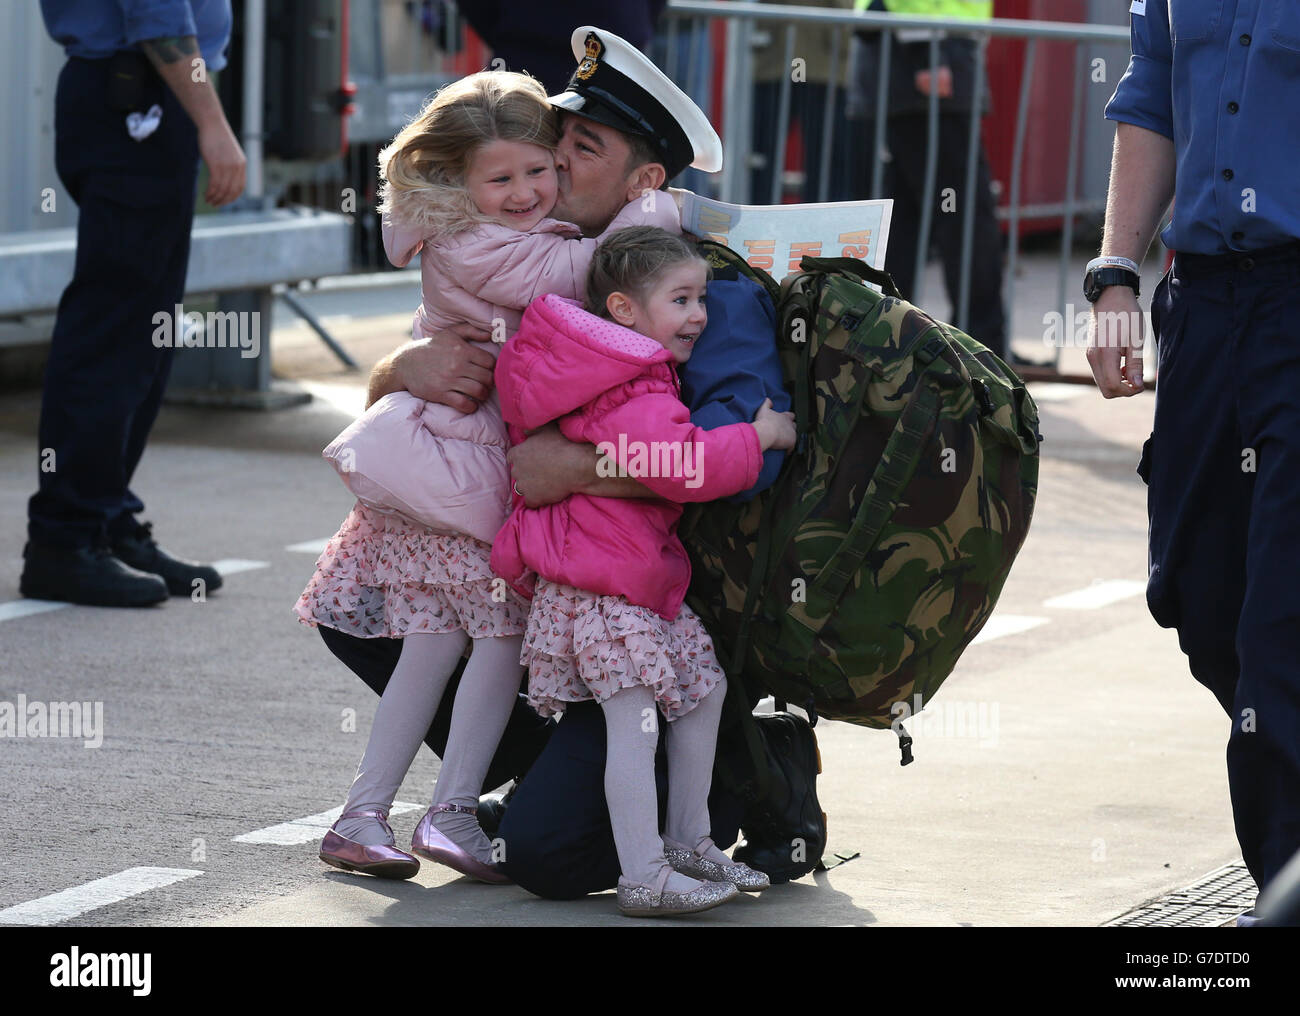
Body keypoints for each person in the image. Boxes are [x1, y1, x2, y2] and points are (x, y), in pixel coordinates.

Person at [351, 26, 826, 900]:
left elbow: (746, 462)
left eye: (581, 150)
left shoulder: (699, 293)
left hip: (657, 602)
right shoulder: (542, 255)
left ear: (647, 183)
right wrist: (397, 370)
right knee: (370, 595)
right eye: (553, 142)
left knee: (546, 857)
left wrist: (573, 468)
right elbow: (454, 377)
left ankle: (728, 780)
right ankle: (529, 771)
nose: (553, 167)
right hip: (563, 581)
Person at [296, 70, 676, 881]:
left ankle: (364, 815)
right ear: (456, 182)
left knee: (433, 648)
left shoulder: (474, 229)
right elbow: (573, 281)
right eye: (501, 178)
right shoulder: (479, 242)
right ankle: (451, 810)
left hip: (451, 460)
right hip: (466, 465)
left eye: (540, 170)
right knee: (496, 636)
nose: (529, 190)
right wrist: (655, 214)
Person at [492, 227, 794, 915]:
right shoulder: (634, 383)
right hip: (605, 587)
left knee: (704, 688)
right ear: (625, 309)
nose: (699, 316)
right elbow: (685, 466)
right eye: (681, 299)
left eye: (701, 300)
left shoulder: (603, 367)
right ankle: (644, 872)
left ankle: (690, 841)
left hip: (627, 578)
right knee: (637, 727)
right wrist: (761, 436)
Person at [1089, 0, 1300, 922]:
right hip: (1207, 308)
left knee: (1280, 626)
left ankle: (1282, 891)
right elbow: (1151, 101)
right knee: (1200, 594)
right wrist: (1115, 273)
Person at [21, 0, 244, 607]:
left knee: (142, 328)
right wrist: (213, 122)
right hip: (135, 90)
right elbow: (158, 14)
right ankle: (65, 539)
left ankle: (104, 519)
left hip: (144, 92)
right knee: (113, 332)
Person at [850, 0, 1007, 359]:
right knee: (966, 220)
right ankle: (981, 349)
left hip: (911, 68)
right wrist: (929, 56)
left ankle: (888, 345)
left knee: (902, 226)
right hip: (927, 69)